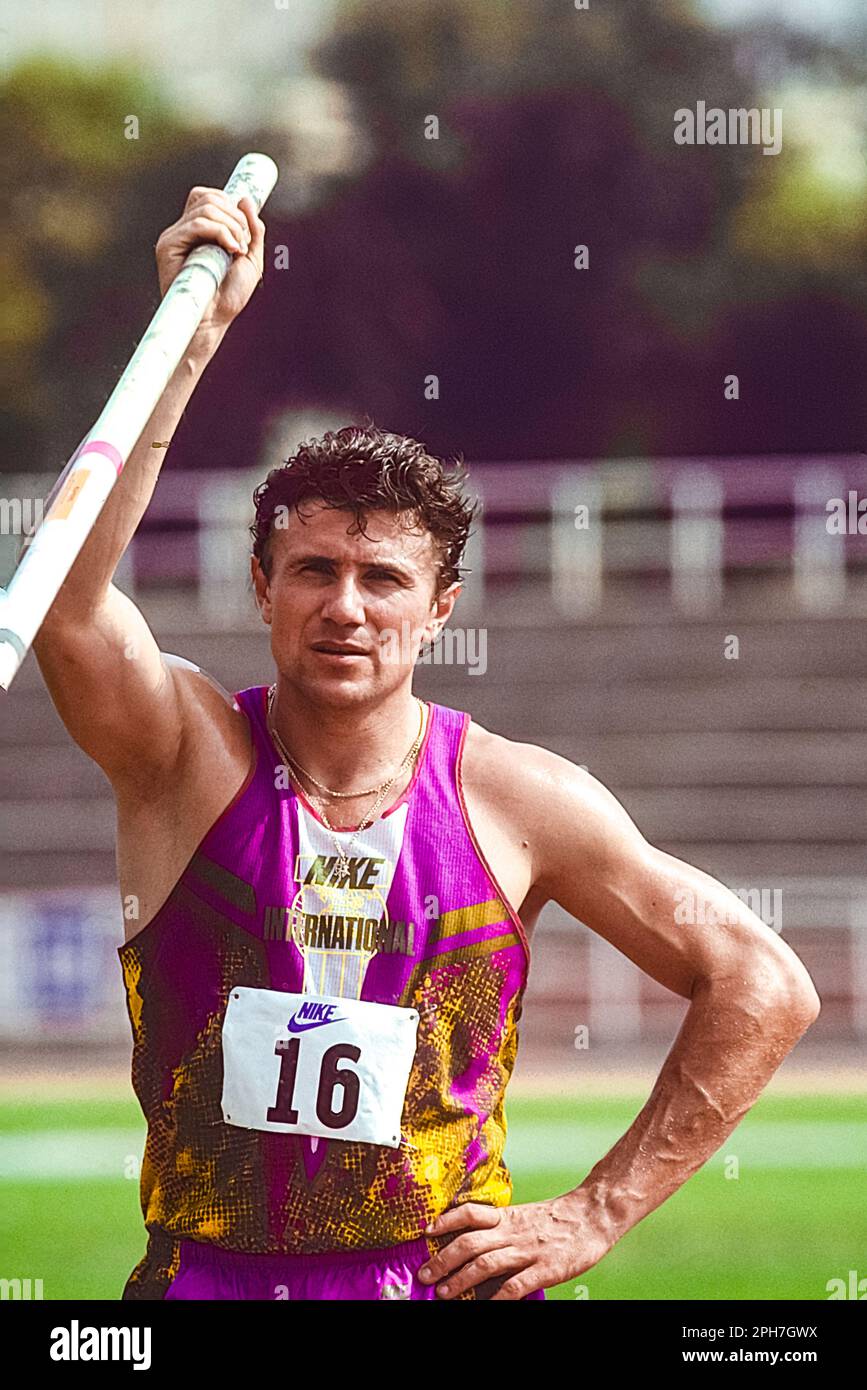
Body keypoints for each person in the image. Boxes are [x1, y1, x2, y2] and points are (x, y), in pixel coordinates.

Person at [32, 184, 820, 1302]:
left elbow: (763, 982)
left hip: (437, 1285)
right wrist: (190, 343)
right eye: (313, 570)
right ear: (262, 584)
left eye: (382, 578)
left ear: (440, 607)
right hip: (206, 1280)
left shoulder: (523, 800)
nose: (346, 607)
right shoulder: (184, 755)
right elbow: (67, 602)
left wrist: (593, 1212)